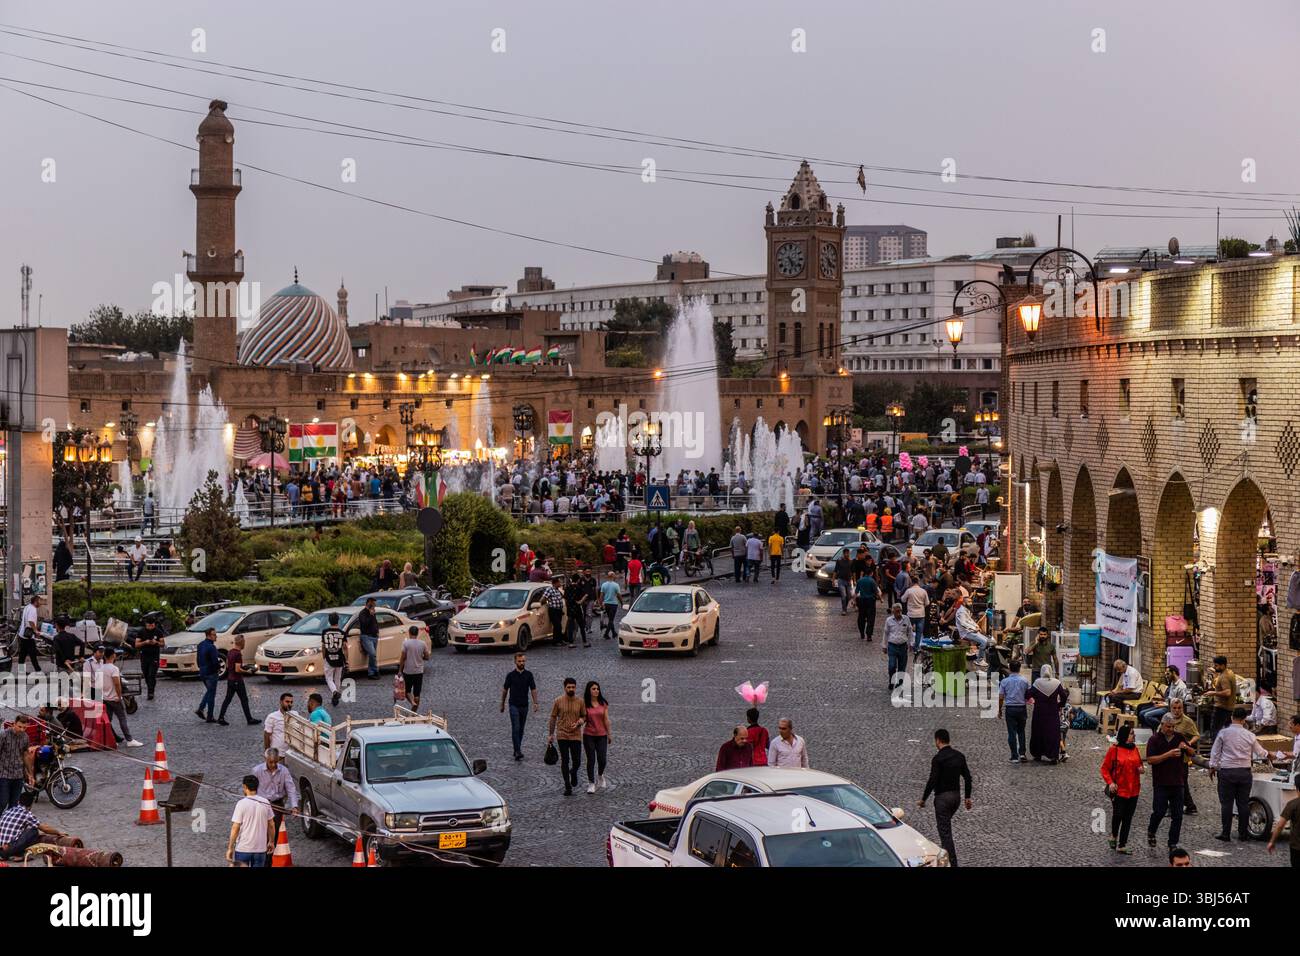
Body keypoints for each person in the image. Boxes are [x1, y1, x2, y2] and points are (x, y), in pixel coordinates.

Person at [1208, 706, 1268, 842]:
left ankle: (1225, 833)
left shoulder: (1223, 733)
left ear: (1231, 717)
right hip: (1244, 773)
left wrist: (1212, 767)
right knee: (1243, 804)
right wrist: (1270, 755)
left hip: (1227, 772)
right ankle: (1243, 834)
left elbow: (1215, 752)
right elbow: (1260, 752)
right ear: (1244, 719)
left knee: (1226, 804)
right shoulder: (1250, 735)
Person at [918, 728, 973, 867]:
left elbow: (933, 780)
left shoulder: (938, 759)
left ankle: (952, 863)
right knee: (945, 828)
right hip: (956, 798)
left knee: (945, 833)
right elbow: (968, 777)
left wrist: (924, 799)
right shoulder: (959, 756)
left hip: (942, 799)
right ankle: (946, 858)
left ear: (938, 740)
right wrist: (967, 797)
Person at [1145, 713, 1195, 850]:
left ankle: (1172, 843)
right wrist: (1169, 755)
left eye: (1173, 726)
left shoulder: (1179, 737)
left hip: (1178, 782)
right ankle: (1151, 831)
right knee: (1159, 812)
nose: (1171, 729)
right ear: (1162, 725)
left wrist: (1186, 748)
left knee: (1177, 815)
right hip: (1161, 783)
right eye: (1168, 726)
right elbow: (1150, 760)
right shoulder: (1154, 740)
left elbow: (1192, 753)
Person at [1101, 724, 1144, 854]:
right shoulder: (1114, 750)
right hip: (1119, 790)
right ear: (1125, 735)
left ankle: (1122, 844)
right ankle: (1114, 835)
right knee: (1118, 815)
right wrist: (1110, 783)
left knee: (1128, 817)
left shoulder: (1135, 749)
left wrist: (1141, 769)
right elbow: (1104, 768)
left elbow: (1140, 764)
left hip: (1134, 790)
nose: (1134, 735)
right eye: (1131, 733)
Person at [0, 788, 67, 859]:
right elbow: (45, 829)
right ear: (31, 805)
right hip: (8, 850)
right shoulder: (26, 813)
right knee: (34, 831)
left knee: (23, 829)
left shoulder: (8, 811)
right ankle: (18, 854)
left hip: (1, 848)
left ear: (19, 801)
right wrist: (58, 833)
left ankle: (9, 853)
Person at [547, 678, 586, 796]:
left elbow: (584, 716)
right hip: (562, 734)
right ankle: (567, 786)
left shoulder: (580, 701)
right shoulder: (558, 701)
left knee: (577, 761)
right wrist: (551, 734)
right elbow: (553, 717)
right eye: (569, 687)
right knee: (565, 760)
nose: (571, 689)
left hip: (576, 735)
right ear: (564, 688)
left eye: (573, 687)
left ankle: (573, 772)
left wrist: (579, 722)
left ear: (576, 687)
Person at [226, 774, 276, 867]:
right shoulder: (265, 802)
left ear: (244, 787)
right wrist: (271, 841)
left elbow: (235, 828)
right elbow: (271, 824)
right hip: (260, 849)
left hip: (243, 848)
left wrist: (230, 847)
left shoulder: (241, 804)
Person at [252, 748, 299, 844]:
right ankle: (262, 855)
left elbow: (291, 788)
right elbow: (251, 790)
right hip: (262, 805)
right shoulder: (256, 771)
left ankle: (269, 855)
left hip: (277, 805)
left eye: (275, 762)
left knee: (274, 832)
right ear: (265, 759)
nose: (273, 765)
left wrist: (294, 806)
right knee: (261, 832)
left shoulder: (284, 771)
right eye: (270, 762)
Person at [100, 647, 142, 747]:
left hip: (105, 698)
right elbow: (117, 684)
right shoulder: (114, 669)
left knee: (108, 720)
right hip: (114, 698)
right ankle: (129, 740)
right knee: (122, 718)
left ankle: (110, 740)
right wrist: (119, 696)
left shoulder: (100, 669)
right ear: (113, 655)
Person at [500, 652, 539, 761]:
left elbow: (533, 689)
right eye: (519, 661)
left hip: (524, 705)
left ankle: (517, 748)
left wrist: (536, 702)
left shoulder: (529, 675)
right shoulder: (511, 676)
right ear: (515, 662)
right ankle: (517, 751)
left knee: (521, 729)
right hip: (513, 705)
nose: (522, 663)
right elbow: (505, 690)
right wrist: (502, 703)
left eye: (523, 661)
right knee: (516, 727)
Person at [1027, 665, 1068, 763]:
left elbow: (1028, 694)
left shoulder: (1037, 683)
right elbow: (1064, 696)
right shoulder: (1056, 683)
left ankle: (1038, 754)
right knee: (1052, 733)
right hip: (1052, 712)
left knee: (1038, 732)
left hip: (1039, 712)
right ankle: (1053, 755)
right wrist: (1059, 705)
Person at [1167, 697, 1201, 815]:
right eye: (1174, 708)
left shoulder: (1187, 721)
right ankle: (1189, 806)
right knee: (1176, 783)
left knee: (1179, 783)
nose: (1177, 710)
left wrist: (1188, 744)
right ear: (1171, 708)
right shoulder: (1167, 719)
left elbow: (1196, 735)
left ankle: (1176, 807)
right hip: (1169, 757)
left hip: (1182, 759)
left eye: (1179, 708)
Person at [217, 634, 258, 726]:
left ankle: (221, 717)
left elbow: (227, 666)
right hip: (237, 680)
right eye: (244, 642)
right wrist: (247, 671)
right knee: (244, 700)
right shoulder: (238, 654)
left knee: (227, 699)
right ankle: (249, 719)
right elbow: (237, 669)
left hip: (230, 680)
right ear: (242, 643)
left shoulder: (230, 652)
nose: (245, 644)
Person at [998, 661, 1030, 763]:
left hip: (1010, 708)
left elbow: (1001, 697)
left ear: (1009, 668)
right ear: (1019, 668)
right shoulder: (1025, 681)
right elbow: (1028, 695)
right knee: (1021, 731)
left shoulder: (1004, 681)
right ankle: (1022, 753)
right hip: (1021, 708)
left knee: (1011, 733)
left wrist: (999, 710)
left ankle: (1014, 756)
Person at [582, 681, 611, 794]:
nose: (596, 691)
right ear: (589, 690)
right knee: (591, 759)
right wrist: (580, 721)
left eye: (597, 689)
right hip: (589, 735)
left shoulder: (603, 703)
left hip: (602, 735)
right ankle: (591, 783)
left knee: (602, 759)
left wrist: (609, 734)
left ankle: (600, 775)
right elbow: (583, 718)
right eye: (594, 689)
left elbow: (606, 719)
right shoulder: (585, 704)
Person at [1141, 665, 1190, 730]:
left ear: (1174, 673)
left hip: (1170, 708)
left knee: (1147, 715)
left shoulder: (1181, 686)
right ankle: (1156, 731)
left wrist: (1164, 704)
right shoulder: (1172, 683)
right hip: (1166, 705)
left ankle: (1163, 728)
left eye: (1168, 674)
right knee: (1142, 713)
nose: (1166, 676)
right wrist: (1162, 700)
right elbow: (1169, 698)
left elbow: (1179, 703)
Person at [0, 715, 30, 809]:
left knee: (14, 805)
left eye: (24, 727)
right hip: (4, 774)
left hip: (18, 775)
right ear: (14, 724)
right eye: (19, 726)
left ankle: (8, 823)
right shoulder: (4, 735)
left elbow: (25, 755)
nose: (21, 729)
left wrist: (29, 773)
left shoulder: (25, 737)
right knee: (2, 802)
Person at [399, 625, 430, 710]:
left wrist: (399, 670)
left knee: (407, 691)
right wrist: (420, 657)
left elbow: (403, 658)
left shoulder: (406, 643)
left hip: (408, 671)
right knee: (417, 694)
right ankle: (414, 711)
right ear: (417, 633)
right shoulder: (422, 644)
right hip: (419, 671)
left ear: (409, 633)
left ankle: (412, 703)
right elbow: (427, 657)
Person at [134, 615, 165, 700]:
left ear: (154, 624)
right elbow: (136, 645)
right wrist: (145, 642)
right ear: (146, 624)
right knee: (146, 675)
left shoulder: (158, 632)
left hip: (154, 656)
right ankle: (150, 688)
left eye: (152, 625)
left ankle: (150, 692)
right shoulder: (141, 632)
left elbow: (163, 644)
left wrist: (156, 642)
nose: (151, 627)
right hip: (144, 656)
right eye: (149, 625)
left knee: (152, 675)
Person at [320, 612, 347, 707]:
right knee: (337, 678)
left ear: (329, 621)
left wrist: (323, 657)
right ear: (338, 620)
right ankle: (335, 698)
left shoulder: (325, 632)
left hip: (328, 657)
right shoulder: (342, 633)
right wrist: (346, 660)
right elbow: (345, 647)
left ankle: (334, 692)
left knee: (329, 678)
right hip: (339, 657)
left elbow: (323, 646)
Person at [1266, 793, 1300, 867]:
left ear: (1297, 789)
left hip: (1296, 847)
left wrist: (1272, 841)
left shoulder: (1293, 804)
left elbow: (1280, 826)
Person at [195, 627, 221, 722]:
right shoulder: (212, 647)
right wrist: (218, 669)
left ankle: (202, 709)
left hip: (203, 672)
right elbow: (215, 661)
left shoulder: (200, 645)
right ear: (209, 635)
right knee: (211, 694)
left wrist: (200, 667)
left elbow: (198, 659)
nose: (216, 636)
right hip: (211, 673)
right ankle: (208, 715)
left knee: (209, 692)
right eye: (214, 634)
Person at [883, 604, 911, 690]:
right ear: (893, 612)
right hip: (892, 646)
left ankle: (900, 683)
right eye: (897, 611)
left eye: (900, 611)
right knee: (892, 665)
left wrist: (911, 644)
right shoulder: (889, 620)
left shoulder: (906, 619)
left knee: (902, 667)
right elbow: (886, 633)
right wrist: (884, 645)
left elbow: (910, 632)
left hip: (903, 646)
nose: (899, 613)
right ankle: (891, 681)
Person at [1206, 655, 1236, 736]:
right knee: (1228, 732)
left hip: (1221, 708)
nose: (1214, 667)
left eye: (1216, 666)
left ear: (1222, 665)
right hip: (1228, 708)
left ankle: (1215, 748)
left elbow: (1227, 692)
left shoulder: (1224, 677)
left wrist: (1213, 693)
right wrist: (1215, 672)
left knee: (1214, 731)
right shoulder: (1229, 672)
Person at [902, 574, 929, 653]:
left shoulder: (909, 591)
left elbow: (903, 599)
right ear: (918, 582)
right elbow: (927, 603)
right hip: (921, 614)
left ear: (912, 582)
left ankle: (907, 645)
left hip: (910, 614)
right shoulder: (923, 591)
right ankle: (916, 648)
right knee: (919, 632)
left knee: (907, 631)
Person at [855, 567, 882, 642]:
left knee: (861, 617)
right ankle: (869, 635)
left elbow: (856, 592)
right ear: (871, 573)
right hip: (870, 601)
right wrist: (880, 599)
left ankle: (862, 633)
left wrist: (854, 601)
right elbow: (876, 592)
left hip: (861, 600)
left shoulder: (859, 580)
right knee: (871, 618)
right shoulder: (872, 581)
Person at [356, 597, 381, 679]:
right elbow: (364, 624)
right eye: (373, 603)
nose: (375, 605)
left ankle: (372, 672)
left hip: (374, 636)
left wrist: (377, 630)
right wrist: (370, 615)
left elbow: (375, 623)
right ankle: (374, 671)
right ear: (369, 603)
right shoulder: (362, 613)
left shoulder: (373, 612)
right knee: (372, 653)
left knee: (373, 655)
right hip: (366, 636)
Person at [17, 595, 42, 673]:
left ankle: (21, 671)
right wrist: (36, 631)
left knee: (22, 655)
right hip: (28, 636)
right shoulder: (33, 609)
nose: (40, 603)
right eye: (39, 601)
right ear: (35, 602)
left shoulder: (27, 607)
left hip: (22, 633)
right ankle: (38, 671)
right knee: (33, 654)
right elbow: (31, 621)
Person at [542, 577, 567, 646]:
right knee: (557, 626)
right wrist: (547, 603)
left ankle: (560, 640)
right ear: (555, 583)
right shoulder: (549, 589)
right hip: (553, 610)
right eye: (559, 582)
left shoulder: (558, 590)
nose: (560, 583)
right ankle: (555, 641)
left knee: (559, 626)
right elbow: (543, 598)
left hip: (559, 610)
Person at [599, 572, 621, 641]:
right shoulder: (616, 585)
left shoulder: (604, 585)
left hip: (606, 604)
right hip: (614, 604)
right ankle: (606, 634)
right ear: (613, 576)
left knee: (610, 619)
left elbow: (601, 596)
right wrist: (622, 602)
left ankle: (614, 633)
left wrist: (600, 604)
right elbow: (619, 595)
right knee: (611, 620)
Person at [833, 548, 854, 615]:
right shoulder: (839, 561)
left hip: (848, 580)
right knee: (844, 596)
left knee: (849, 595)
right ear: (844, 553)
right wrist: (833, 580)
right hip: (841, 580)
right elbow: (835, 570)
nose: (847, 555)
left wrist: (853, 579)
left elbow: (853, 572)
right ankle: (844, 609)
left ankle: (845, 606)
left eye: (848, 553)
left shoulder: (851, 561)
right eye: (846, 553)